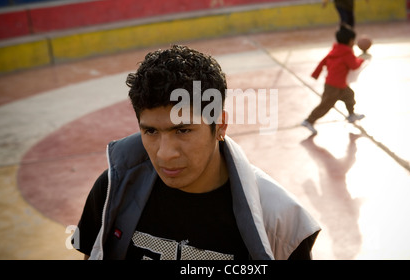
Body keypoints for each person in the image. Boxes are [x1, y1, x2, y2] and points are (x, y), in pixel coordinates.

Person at [73, 44, 321, 260]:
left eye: (183, 131)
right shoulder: (112, 189)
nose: (165, 154)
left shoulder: (281, 221)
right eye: (151, 132)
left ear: (220, 126)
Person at [301, 27, 366, 135]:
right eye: (353, 41)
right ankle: (308, 121)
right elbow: (354, 65)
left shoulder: (334, 50)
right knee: (325, 105)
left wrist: (315, 74)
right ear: (350, 41)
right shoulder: (347, 53)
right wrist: (361, 59)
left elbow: (323, 61)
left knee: (349, 95)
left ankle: (351, 115)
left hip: (336, 84)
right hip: (335, 87)